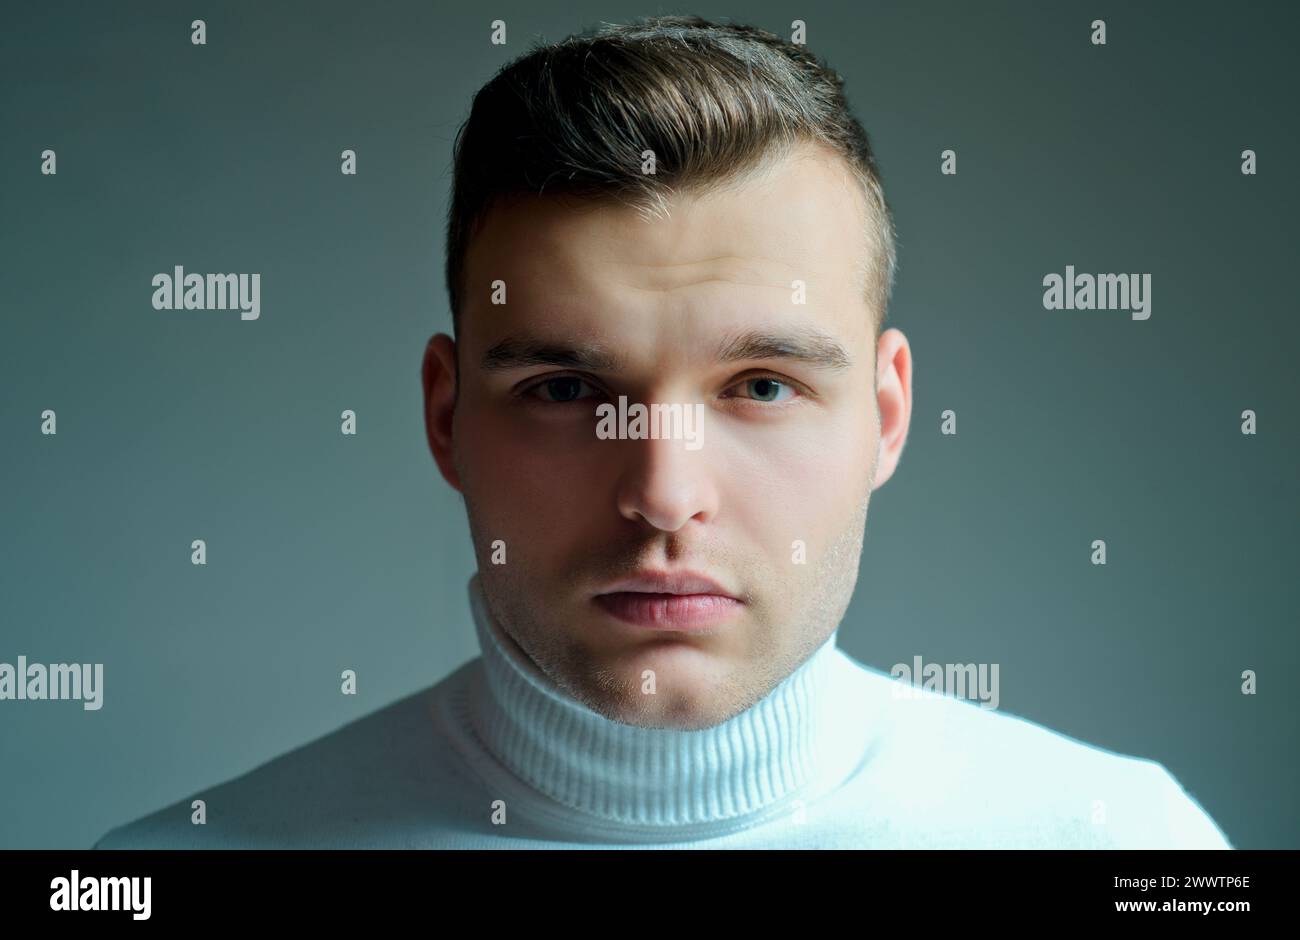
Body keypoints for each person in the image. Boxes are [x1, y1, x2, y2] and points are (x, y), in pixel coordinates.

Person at [95, 15, 1230, 849]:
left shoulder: (1132, 848)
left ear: (885, 417)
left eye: (762, 386)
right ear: (446, 418)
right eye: (565, 390)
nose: (663, 493)